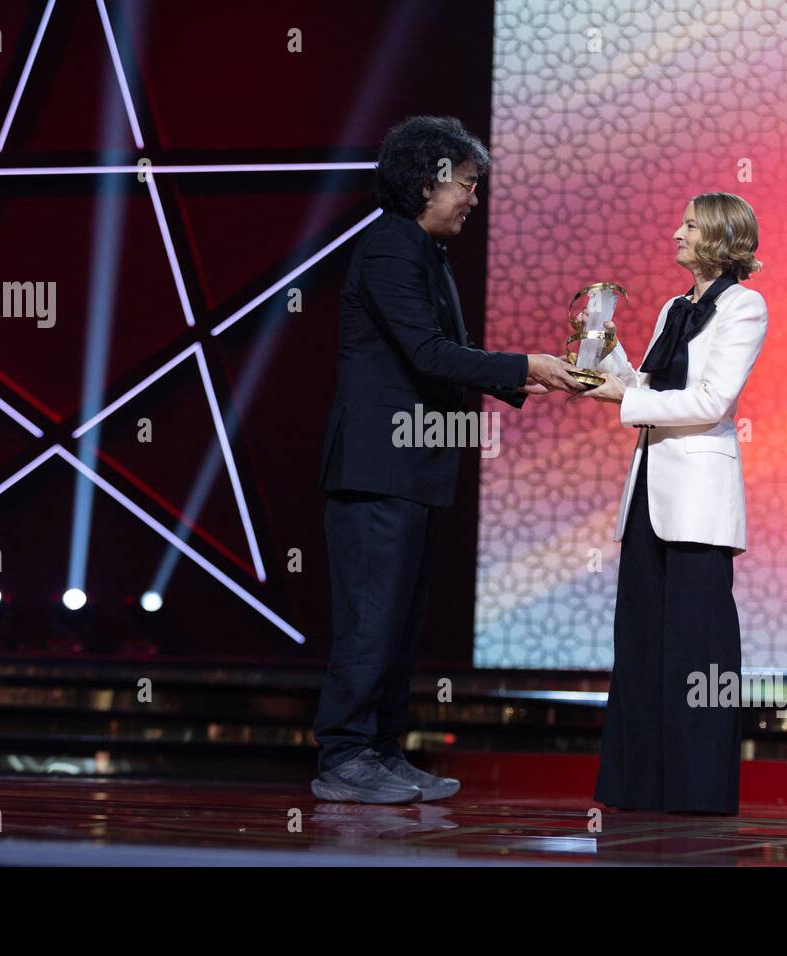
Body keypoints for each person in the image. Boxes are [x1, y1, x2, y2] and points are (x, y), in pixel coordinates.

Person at [312, 115, 580, 804]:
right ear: (429, 180)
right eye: (466, 184)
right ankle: (344, 754)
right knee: (373, 617)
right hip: (379, 469)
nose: (473, 199)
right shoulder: (389, 250)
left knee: (399, 621)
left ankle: (382, 749)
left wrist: (531, 372)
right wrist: (529, 368)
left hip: (414, 468)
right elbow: (428, 354)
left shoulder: (421, 251)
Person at [572, 192, 768, 814]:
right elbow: (649, 388)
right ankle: (638, 786)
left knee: (696, 647)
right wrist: (602, 356)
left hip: (699, 501)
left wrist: (623, 401)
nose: (675, 233)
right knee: (640, 642)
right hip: (647, 493)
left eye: (687, 225)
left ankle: (697, 791)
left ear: (716, 235)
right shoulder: (672, 307)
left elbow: (710, 401)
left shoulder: (743, 306)